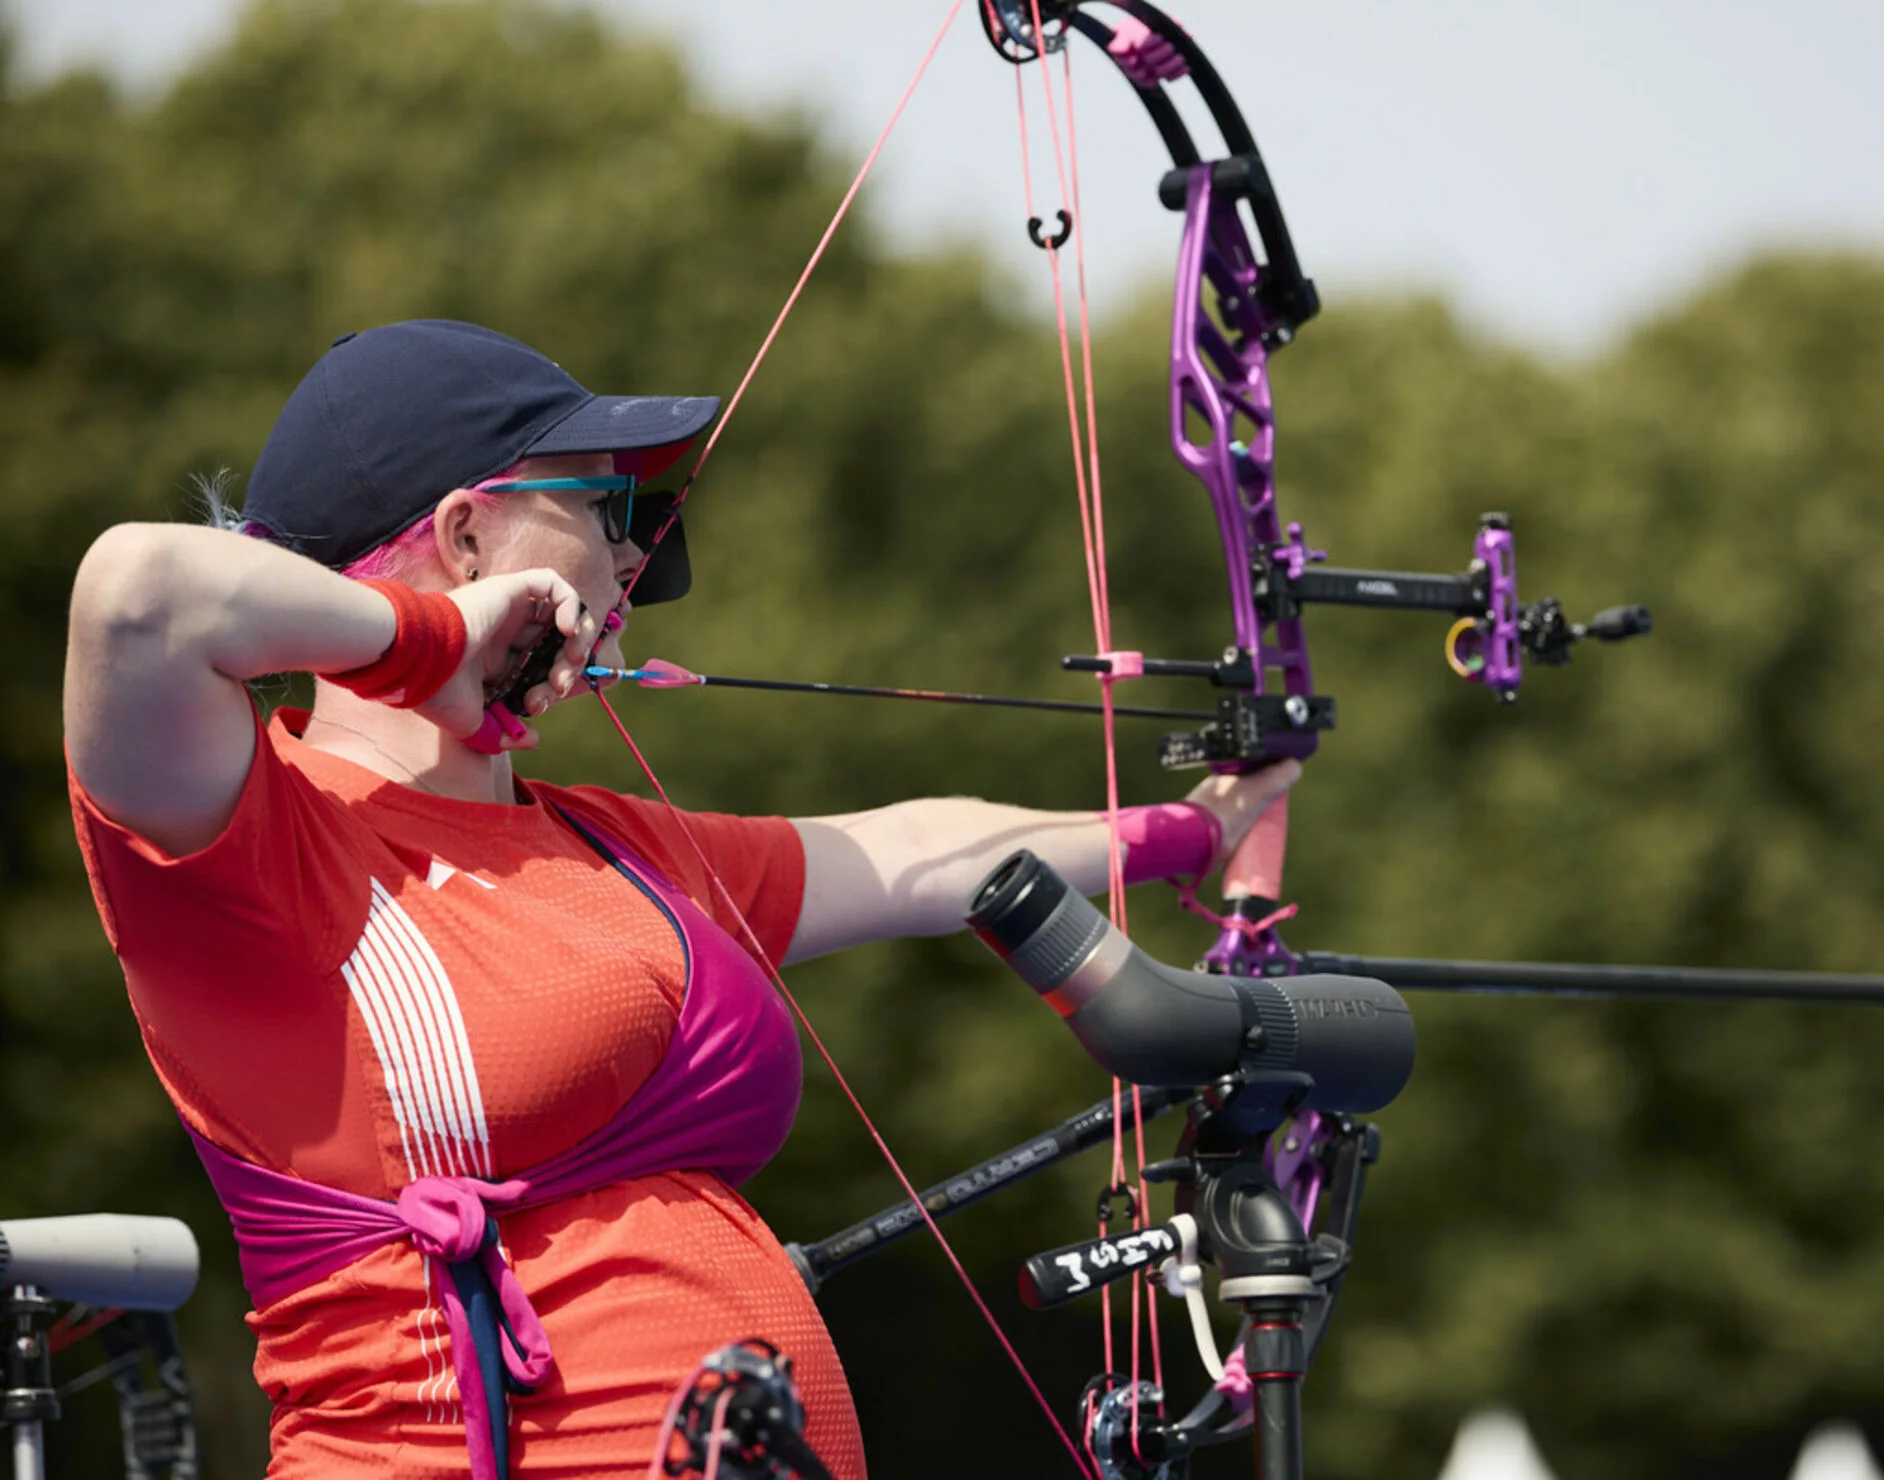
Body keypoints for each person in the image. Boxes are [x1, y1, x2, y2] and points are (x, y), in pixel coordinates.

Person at [62, 319, 1296, 1480]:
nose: (636, 564)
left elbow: (930, 855)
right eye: (607, 508)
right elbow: (136, 591)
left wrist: (1201, 828)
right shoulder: (249, 834)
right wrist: (435, 640)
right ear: (467, 533)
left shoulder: (611, 848)